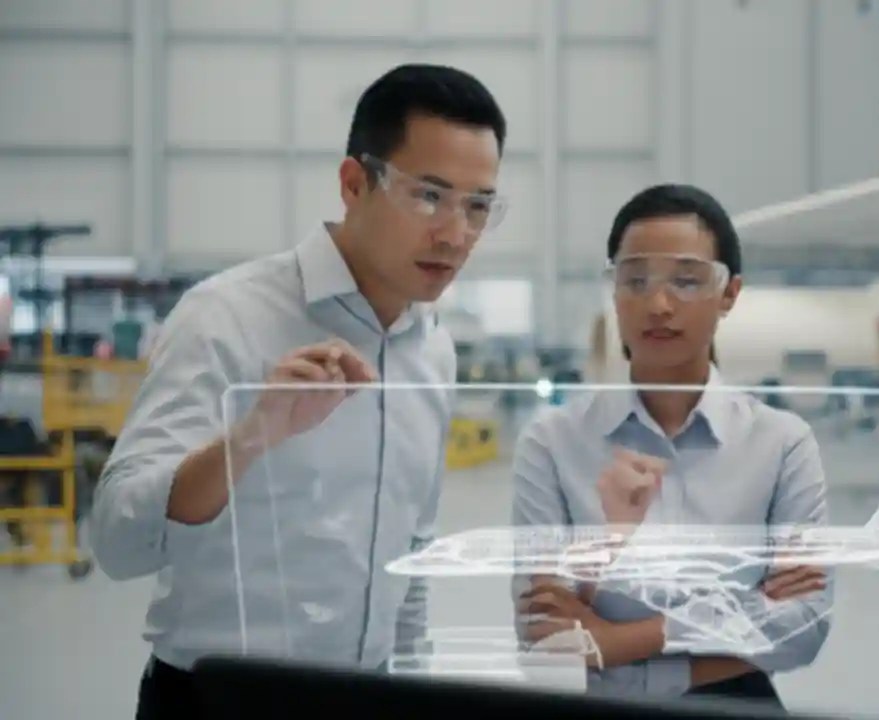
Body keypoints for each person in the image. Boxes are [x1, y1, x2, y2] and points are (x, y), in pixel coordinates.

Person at [88, 64, 510, 718]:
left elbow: (411, 556)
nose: (455, 234)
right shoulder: (225, 318)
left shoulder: (434, 350)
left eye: (478, 206)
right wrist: (250, 435)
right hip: (222, 701)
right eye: (429, 195)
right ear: (353, 183)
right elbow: (117, 540)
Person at [509, 184, 833, 708]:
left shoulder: (781, 444)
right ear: (613, 290)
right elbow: (545, 637)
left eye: (687, 281)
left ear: (730, 293)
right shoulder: (552, 442)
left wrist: (618, 641)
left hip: (734, 703)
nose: (658, 304)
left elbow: (803, 627)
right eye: (635, 279)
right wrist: (741, 616)